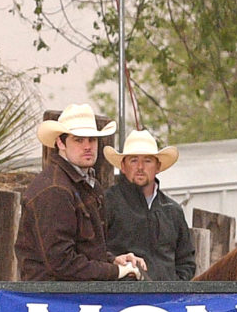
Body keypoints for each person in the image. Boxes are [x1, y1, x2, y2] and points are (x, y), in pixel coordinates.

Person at [16, 104, 145, 282]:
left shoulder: (86, 185)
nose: (87, 146)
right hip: (52, 300)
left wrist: (113, 261)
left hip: (70, 299)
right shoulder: (55, 190)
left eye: (92, 139)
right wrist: (114, 271)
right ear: (60, 143)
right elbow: (61, 263)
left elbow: (84, 251)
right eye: (78, 140)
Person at [103, 130, 194, 282]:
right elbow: (94, 253)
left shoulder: (173, 210)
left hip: (166, 303)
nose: (140, 167)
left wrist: (175, 287)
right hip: (121, 302)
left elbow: (186, 261)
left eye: (147, 160)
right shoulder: (107, 202)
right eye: (133, 160)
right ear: (123, 166)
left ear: (158, 166)